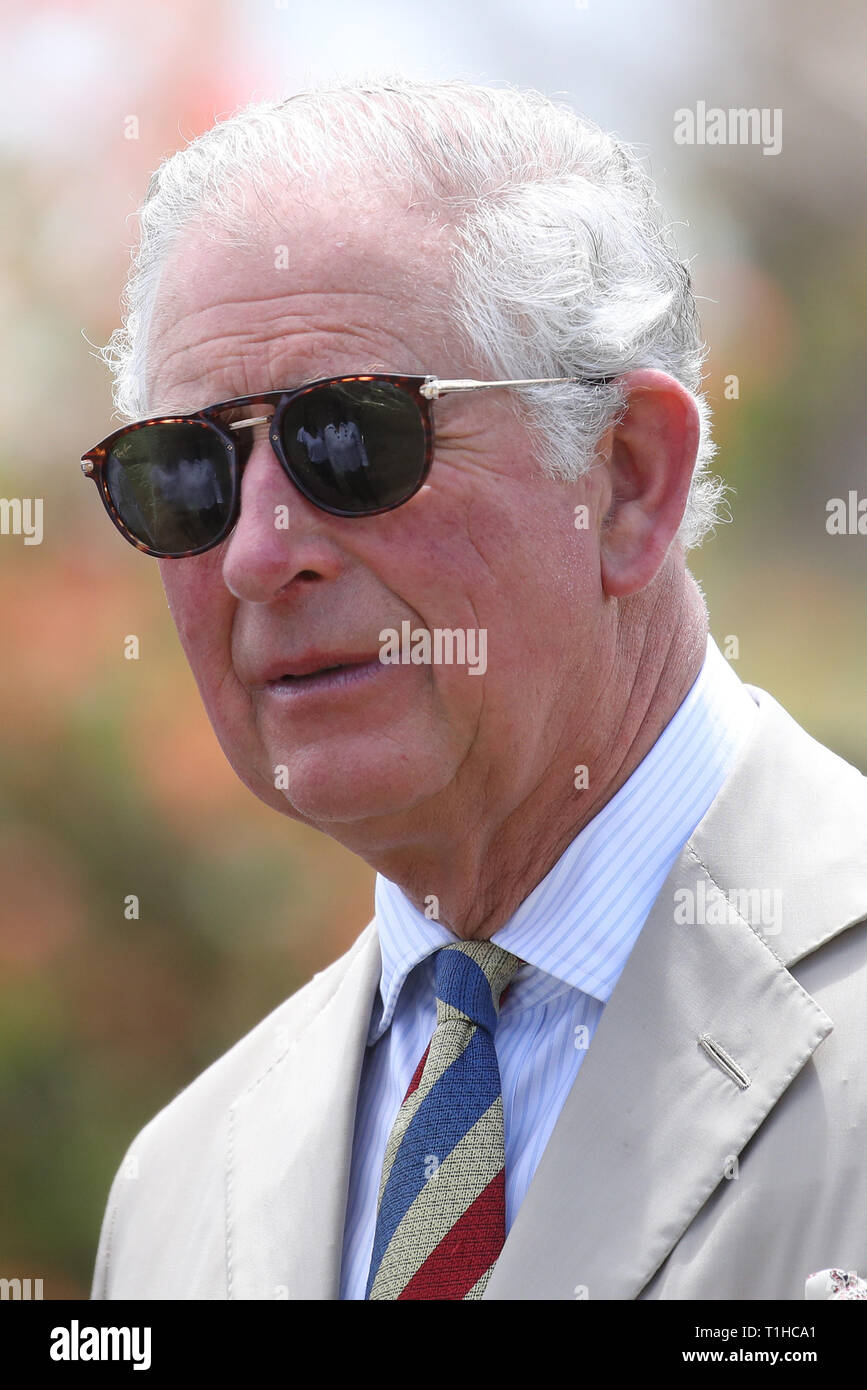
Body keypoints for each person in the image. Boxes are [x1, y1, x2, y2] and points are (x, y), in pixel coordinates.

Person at [84, 76, 867, 1301]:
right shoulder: (181, 1188)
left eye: (349, 437)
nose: (253, 553)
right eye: (185, 472)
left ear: (625, 480)